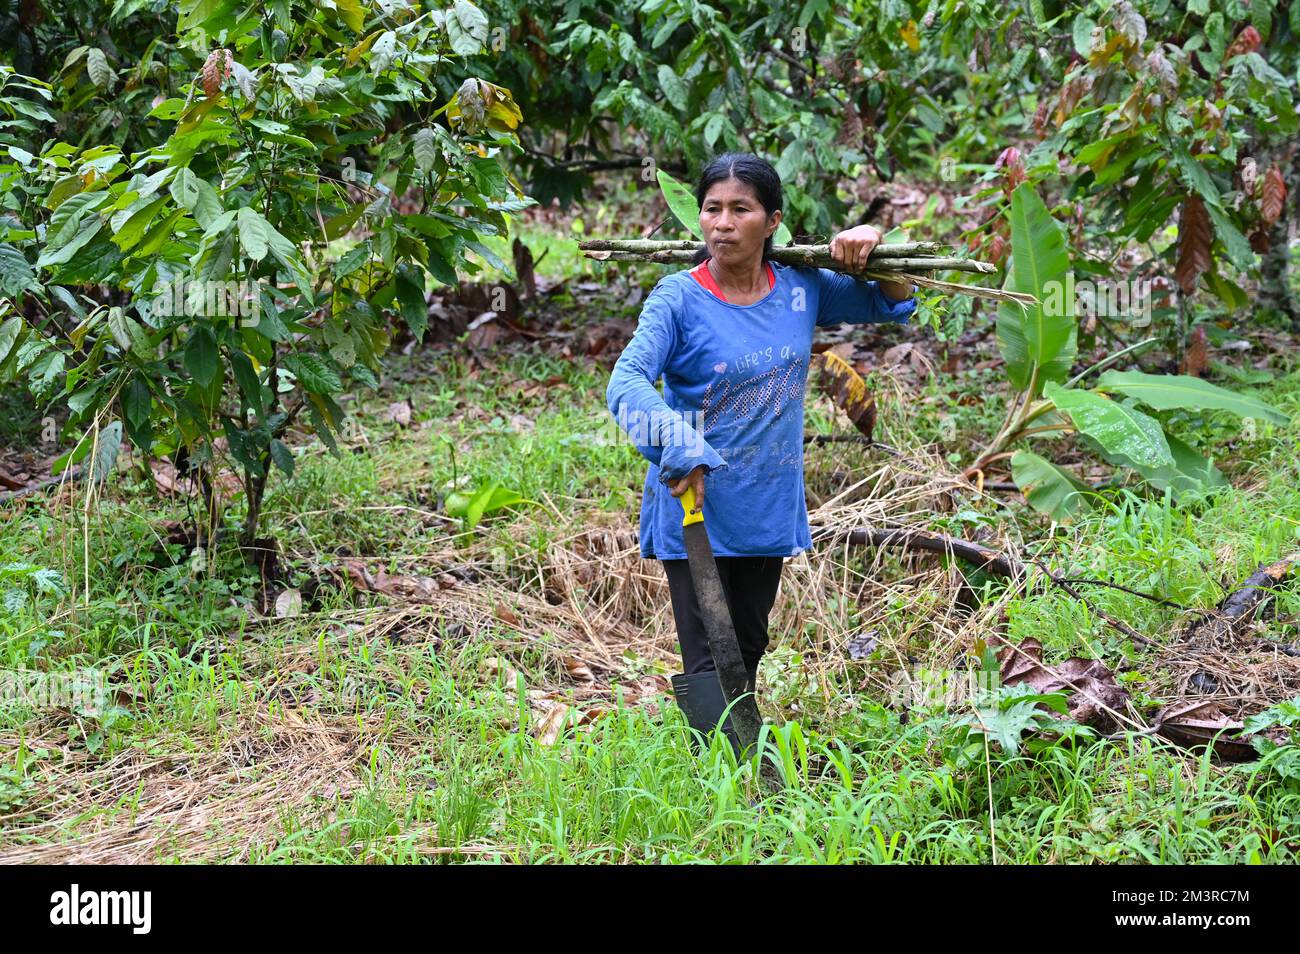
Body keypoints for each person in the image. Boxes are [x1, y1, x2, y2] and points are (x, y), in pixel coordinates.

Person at [604, 152, 916, 752]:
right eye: (711, 209)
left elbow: (891, 304)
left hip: (765, 505)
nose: (721, 223)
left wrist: (871, 245)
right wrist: (678, 444)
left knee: (747, 643)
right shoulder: (677, 299)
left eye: (739, 209)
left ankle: (741, 767)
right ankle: (726, 780)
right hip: (692, 497)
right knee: (708, 652)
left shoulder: (800, 286)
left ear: (771, 221)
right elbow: (628, 382)